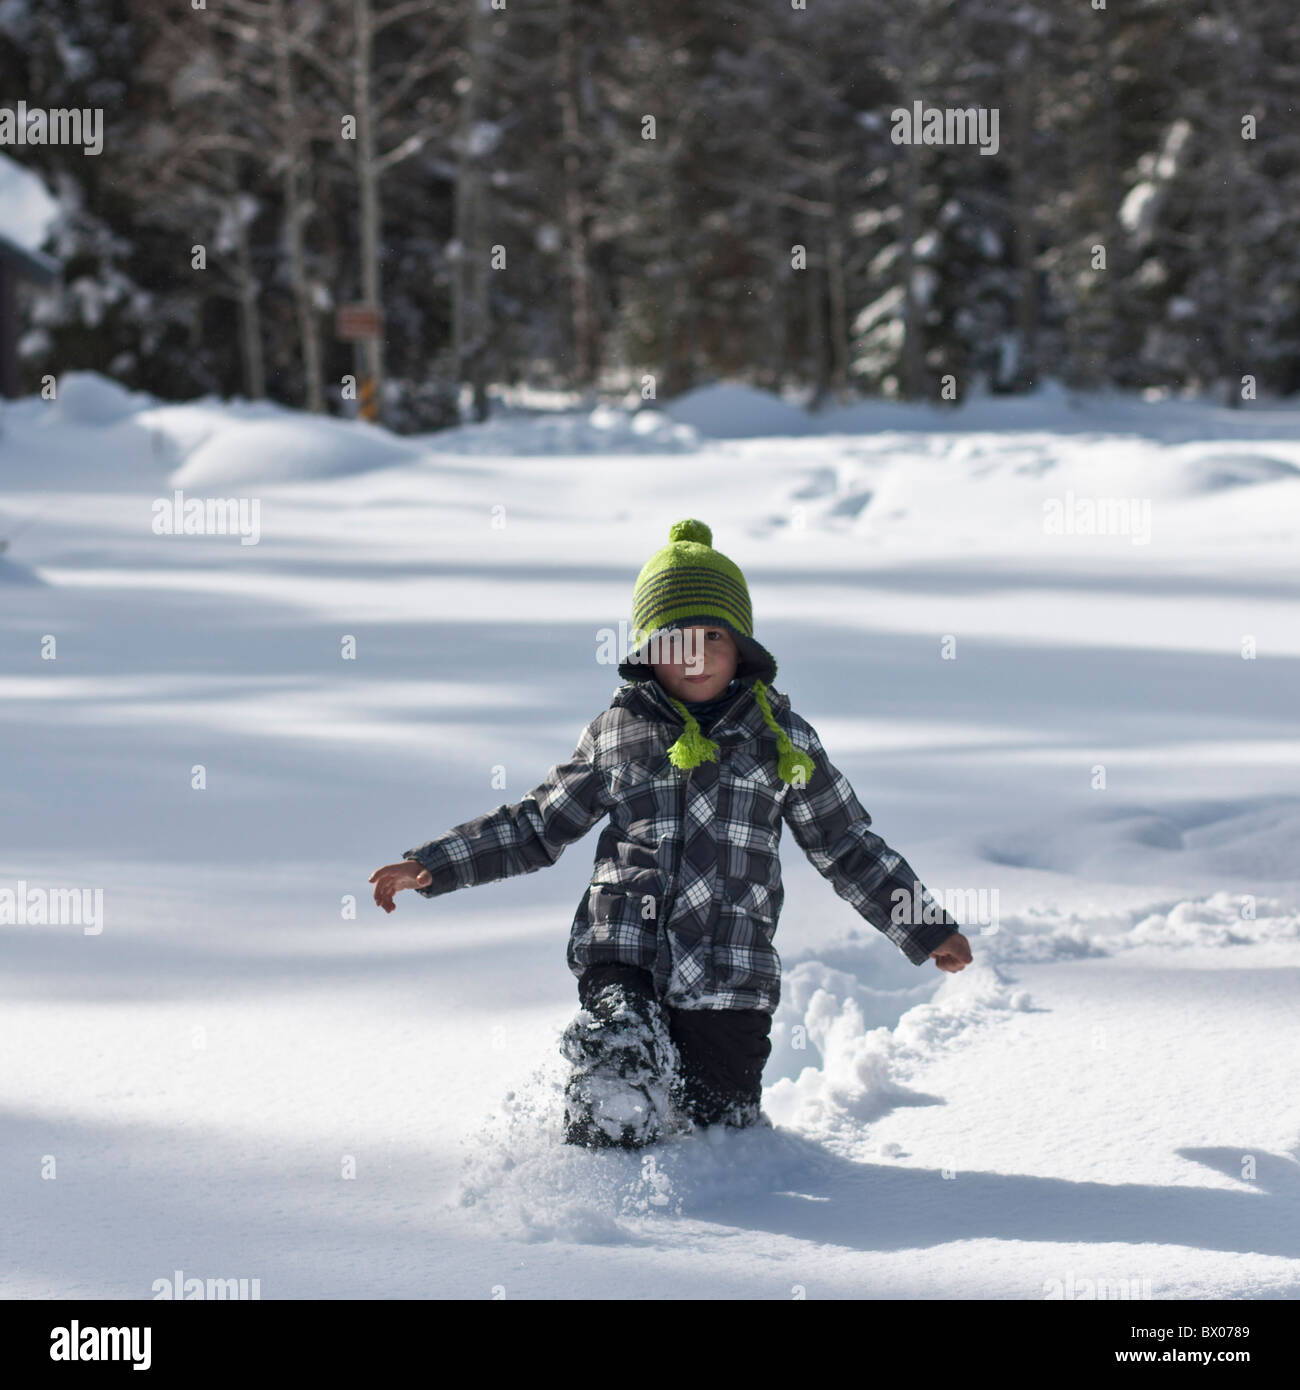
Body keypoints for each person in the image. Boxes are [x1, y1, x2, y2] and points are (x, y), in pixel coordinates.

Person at [370, 518, 971, 1150]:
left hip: (731, 972)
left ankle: (721, 1193)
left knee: (720, 1131)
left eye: (713, 635)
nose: (696, 653)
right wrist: (434, 864)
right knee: (618, 1049)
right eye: (676, 636)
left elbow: (845, 846)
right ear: (648, 649)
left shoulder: (784, 743)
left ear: (742, 647)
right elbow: (537, 825)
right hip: (625, 950)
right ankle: (599, 1163)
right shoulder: (618, 732)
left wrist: (925, 925)